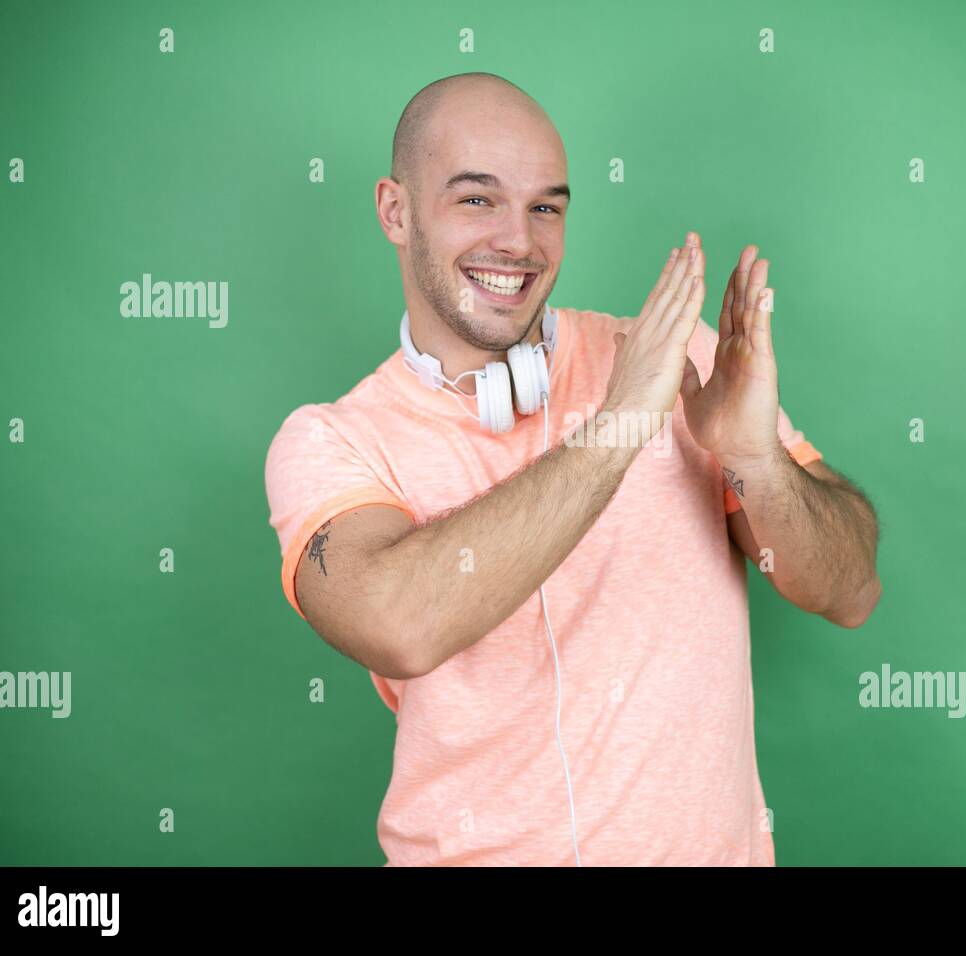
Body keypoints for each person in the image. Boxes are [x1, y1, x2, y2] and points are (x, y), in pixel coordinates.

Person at [263, 71, 882, 866]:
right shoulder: (329, 441)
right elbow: (399, 626)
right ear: (396, 210)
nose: (518, 242)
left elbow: (852, 591)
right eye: (477, 199)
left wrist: (753, 457)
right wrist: (620, 424)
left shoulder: (674, 362)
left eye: (545, 206)